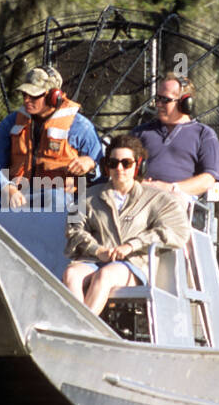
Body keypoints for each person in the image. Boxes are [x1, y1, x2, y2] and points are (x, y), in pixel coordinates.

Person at [63, 134, 191, 315]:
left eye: (126, 163)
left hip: (133, 264)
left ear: (138, 165)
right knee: (71, 274)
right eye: (113, 163)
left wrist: (132, 245)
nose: (119, 168)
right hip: (97, 260)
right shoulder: (89, 196)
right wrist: (97, 250)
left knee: (105, 276)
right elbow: (73, 229)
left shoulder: (157, 198)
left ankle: (82, 328)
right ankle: (75, 325)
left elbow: (177, 231)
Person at [0, 66, 103, 209]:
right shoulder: (11, 122)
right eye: (24, 94)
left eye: (33, 96)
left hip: (57, 199)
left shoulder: (81, 126)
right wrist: (8, 188)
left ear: (54, 97)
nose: (27, 100)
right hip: (16, 197)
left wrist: (90, 164)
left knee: (55, 197)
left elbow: (101, 173)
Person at [134, 74, 219, 197]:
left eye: (165, 100)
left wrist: (170, 188)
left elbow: (209, 179)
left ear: (185, 103)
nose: (158, 105)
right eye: (157, 99)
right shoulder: (140, 133)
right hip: (142, 200)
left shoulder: (203, 134)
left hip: (181, 207)